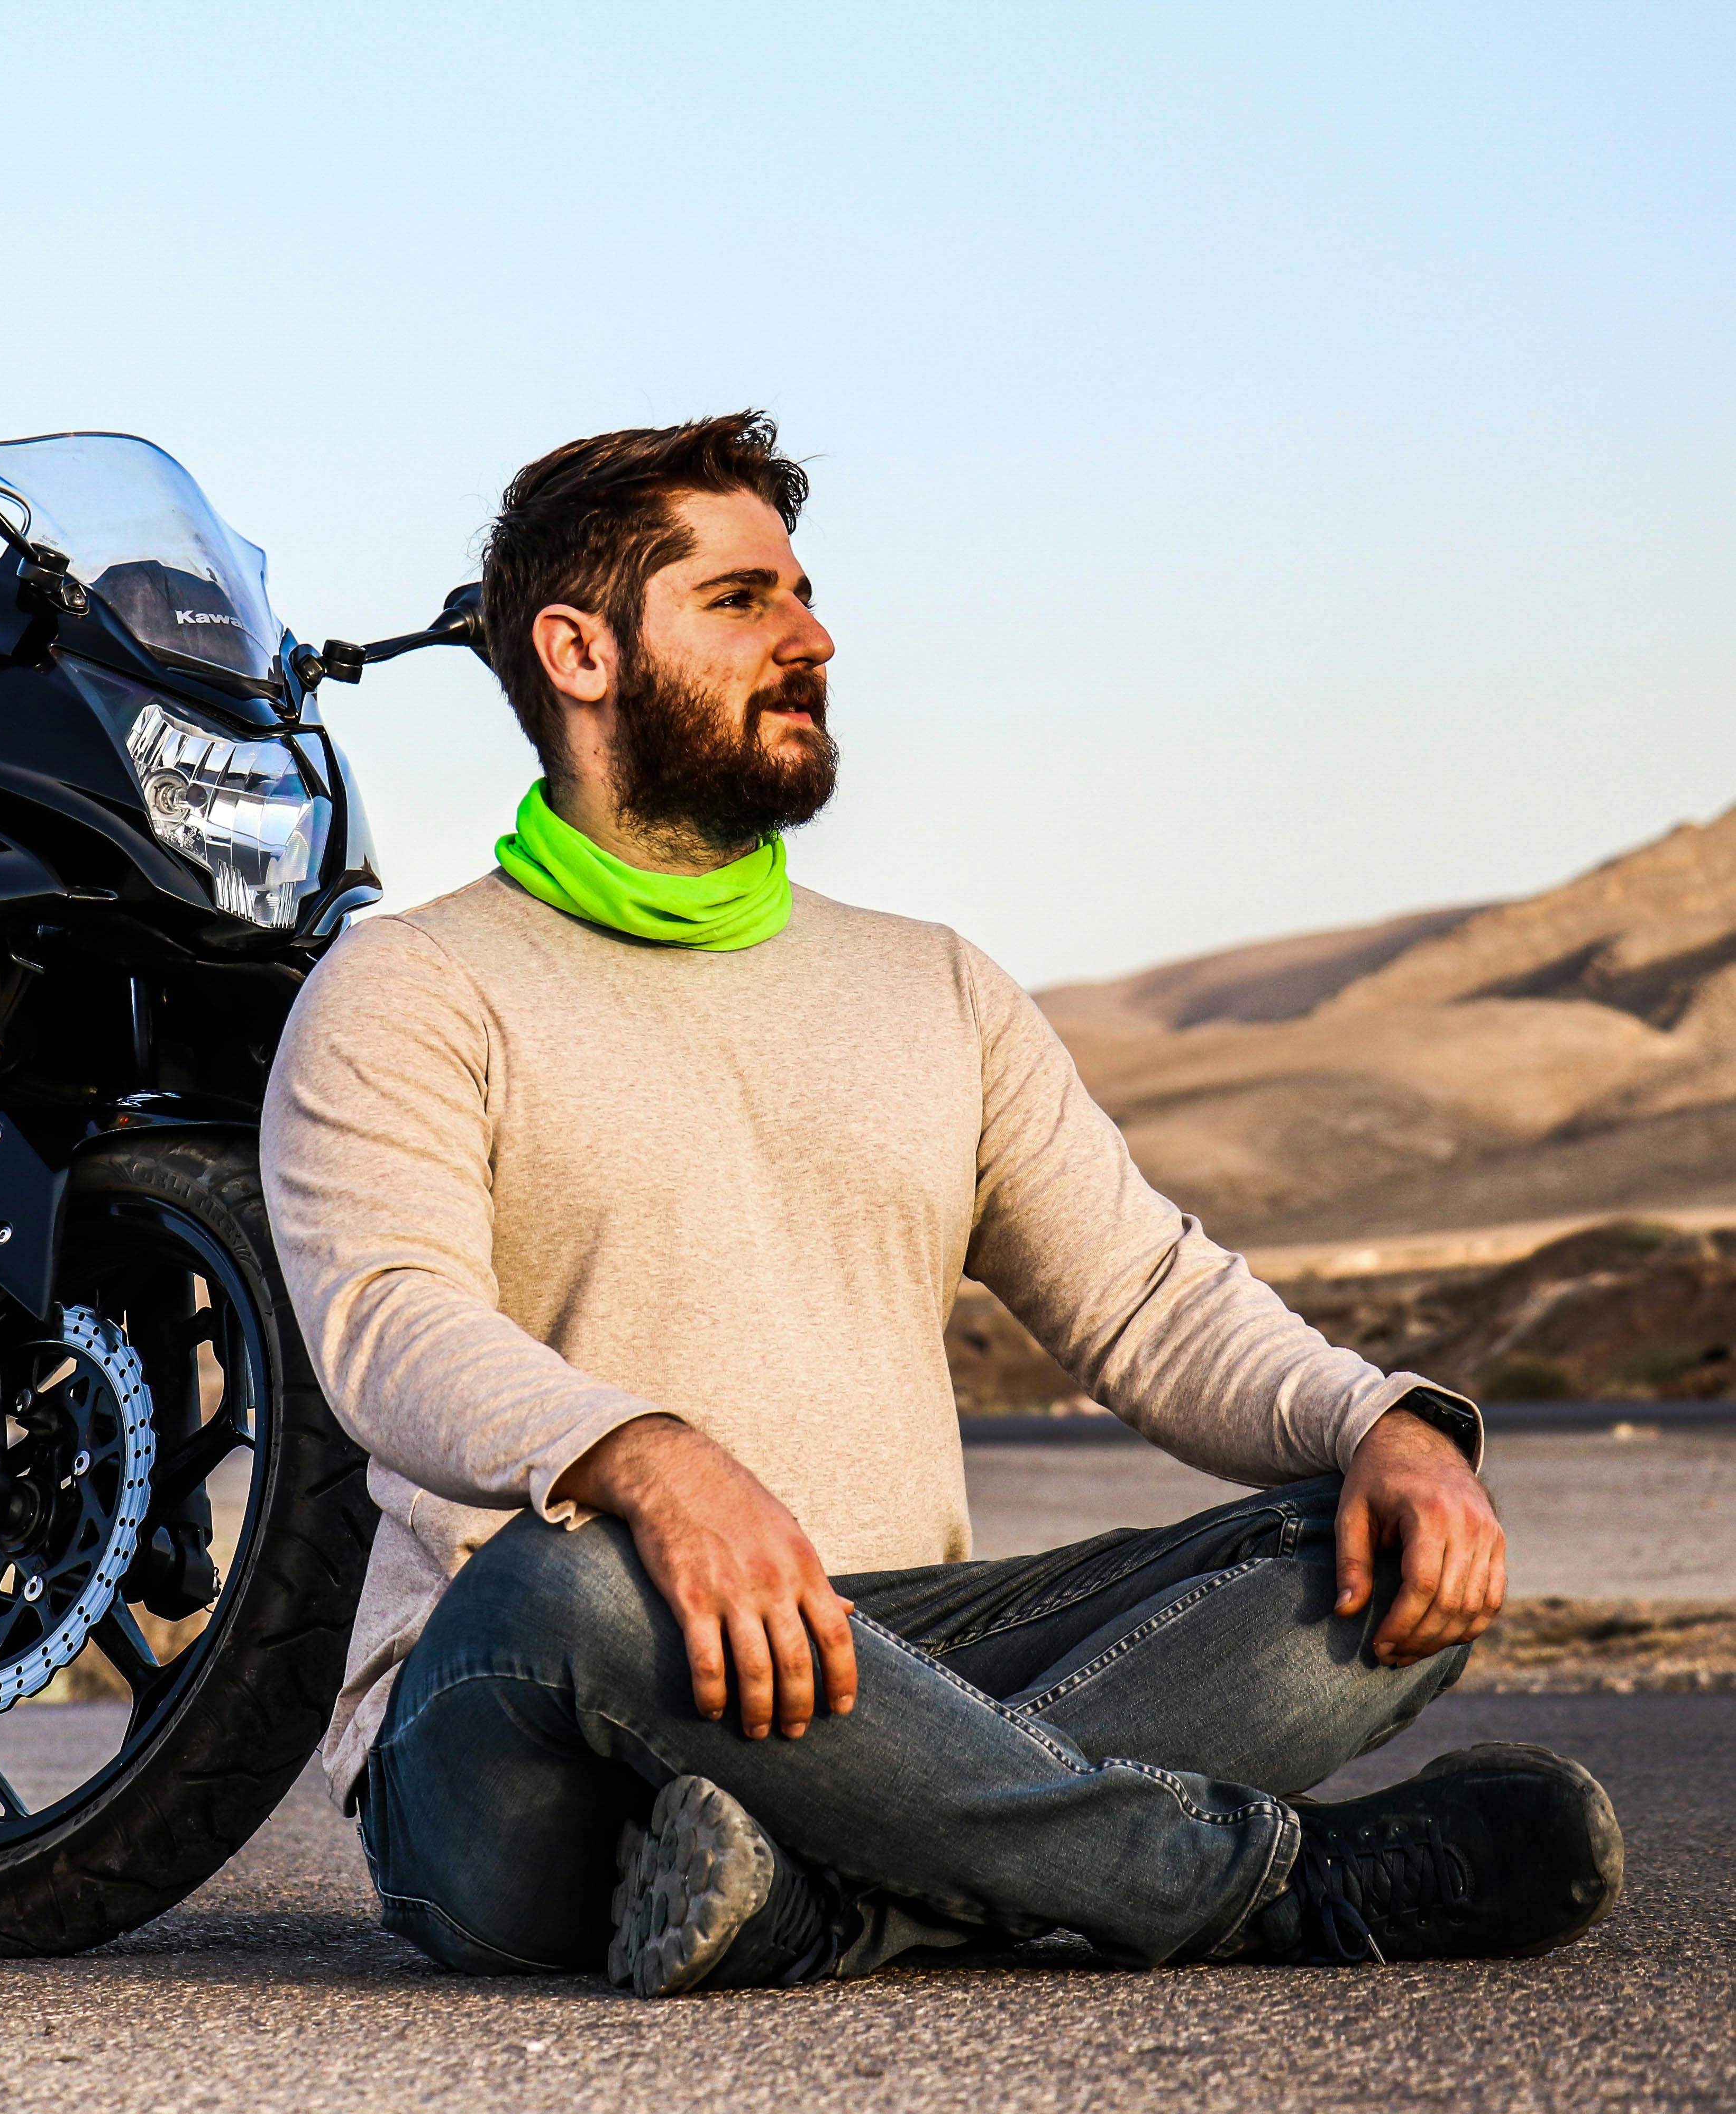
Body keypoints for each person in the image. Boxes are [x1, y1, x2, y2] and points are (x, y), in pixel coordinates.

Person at [258, 415, 1624, 1996]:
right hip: (543, 1716)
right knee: (572, 1565)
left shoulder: (933, 987)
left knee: (1374, 1549)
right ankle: (1249, 1885)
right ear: (576, 650)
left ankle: (824, 1908)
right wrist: (649, 1462)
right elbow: (385, 1321)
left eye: (804, 594)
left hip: (895, 1666)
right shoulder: (410, 987)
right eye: (740, 599)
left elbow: (1144, 1300)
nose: (811, 637)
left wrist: (1383, 1423)